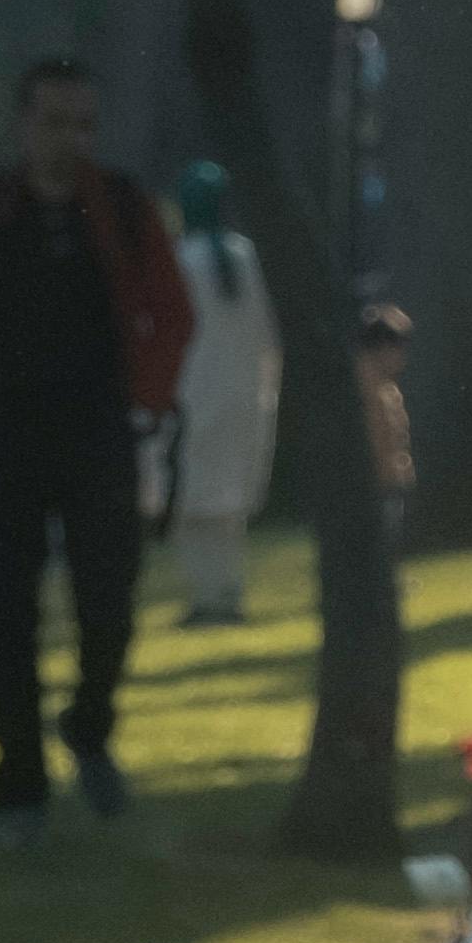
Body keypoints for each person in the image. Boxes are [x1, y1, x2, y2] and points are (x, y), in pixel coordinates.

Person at [0, 55, 190, 829]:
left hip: (96, 430)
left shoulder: (124, 210)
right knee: (6, 612)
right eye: (54, 121)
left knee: (110, 598)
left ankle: (89, 725)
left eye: (83, 124)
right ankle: (19, 778)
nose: (69, 139)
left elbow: (172, 313)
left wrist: (148, 398)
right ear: (23, 124)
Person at [168, 162, 283, 622]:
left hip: (192, 393)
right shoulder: (249, 257)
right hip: (244, 392)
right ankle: (226, 590)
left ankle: (208, 595)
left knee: (193, 497)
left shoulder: (180, 260)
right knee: (228, 498)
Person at [358, 300, 416, 545]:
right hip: (376, 484)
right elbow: (381, 438)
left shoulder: (385, 387)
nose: (403, 357)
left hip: (384, 482)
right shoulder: (370, 391)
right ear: (383, 348)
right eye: (399, 348)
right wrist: (395, 473)